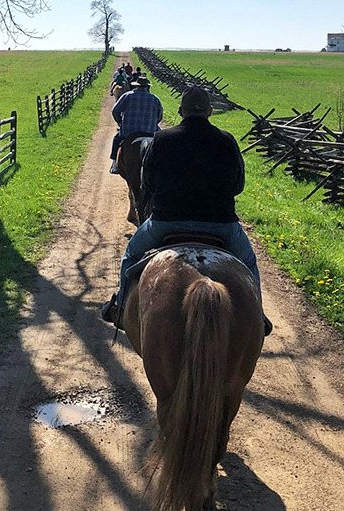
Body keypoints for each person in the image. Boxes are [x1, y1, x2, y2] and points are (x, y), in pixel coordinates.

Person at [102, 85, 272, 335]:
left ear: (180, 112)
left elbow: (147, 182)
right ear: (210, 111)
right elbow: (238, 186)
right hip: (221, 224)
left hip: (166, 221)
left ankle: (121, 307)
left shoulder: (162, 139)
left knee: (130, 255)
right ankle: (258, 316)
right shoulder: (227, 141)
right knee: (248, 261)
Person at [109, 77, 163, 174]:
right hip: (150, 132)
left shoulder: (127, 96)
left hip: (129, 132)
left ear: (136, 86)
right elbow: (159, 116)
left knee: (116, 140)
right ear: (147, 86)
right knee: (162, 143)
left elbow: (115, 110)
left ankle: (114, 165)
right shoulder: (155, 99)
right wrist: (153, 123)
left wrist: (120, 122)